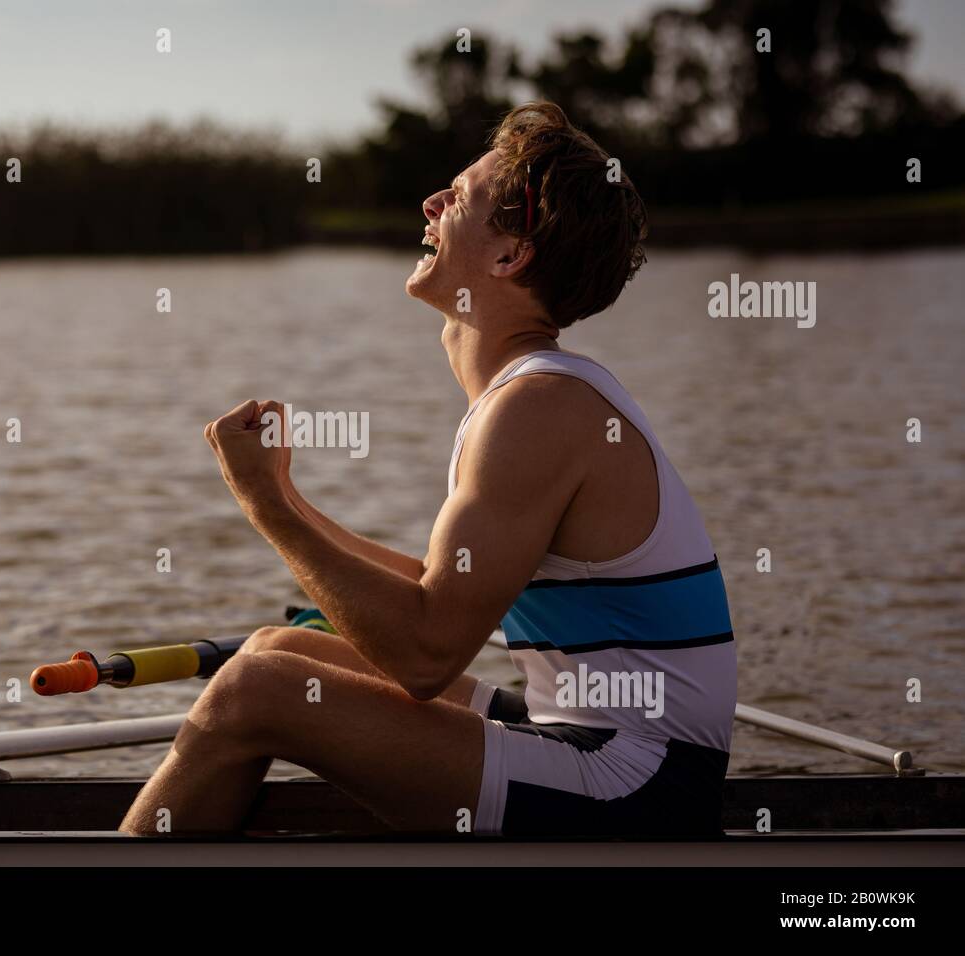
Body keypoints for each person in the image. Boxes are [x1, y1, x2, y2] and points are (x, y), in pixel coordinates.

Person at [121, 102, 736, 837]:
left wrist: (267, 508)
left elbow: (426, 655)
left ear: (510, 256)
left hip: (641, 780)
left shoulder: (538, 408)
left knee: (256, 690)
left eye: (460, 198)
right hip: (597, 737)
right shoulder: (540, 393)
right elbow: (435, 593)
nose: (430, 204)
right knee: (275, 647)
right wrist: (285, 494)